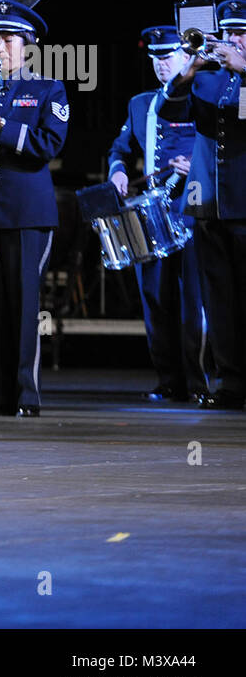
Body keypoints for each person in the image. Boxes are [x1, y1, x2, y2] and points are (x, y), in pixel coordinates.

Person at [0, 2, 68, 418]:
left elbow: (49, 145)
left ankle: (26, 395)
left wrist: (2, 125)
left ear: (28, 46)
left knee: (24, 307)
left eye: (8, 39)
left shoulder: (47, 89)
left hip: (26, 212)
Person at [107, 25, 208, 405]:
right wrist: (117, 169)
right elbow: (120, 146)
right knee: (156, 301)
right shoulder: (140, 103)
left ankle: (200, 383)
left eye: (167, 58)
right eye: (154, 59)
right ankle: (168, 380)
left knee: (192, 303)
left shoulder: (204, 97)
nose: (160, 66)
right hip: (152, 216)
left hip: (192, 212)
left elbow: (223, 147)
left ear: (185, 58)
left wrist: (195, 164)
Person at [154, 0, 246, 410]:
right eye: (228, 33)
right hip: (209, 203)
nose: (232, 40)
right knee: (219, 298)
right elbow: (170, 111)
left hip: (243, 202)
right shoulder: (207, 79)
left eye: (240, 33)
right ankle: (230, 382)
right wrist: (188, 71)